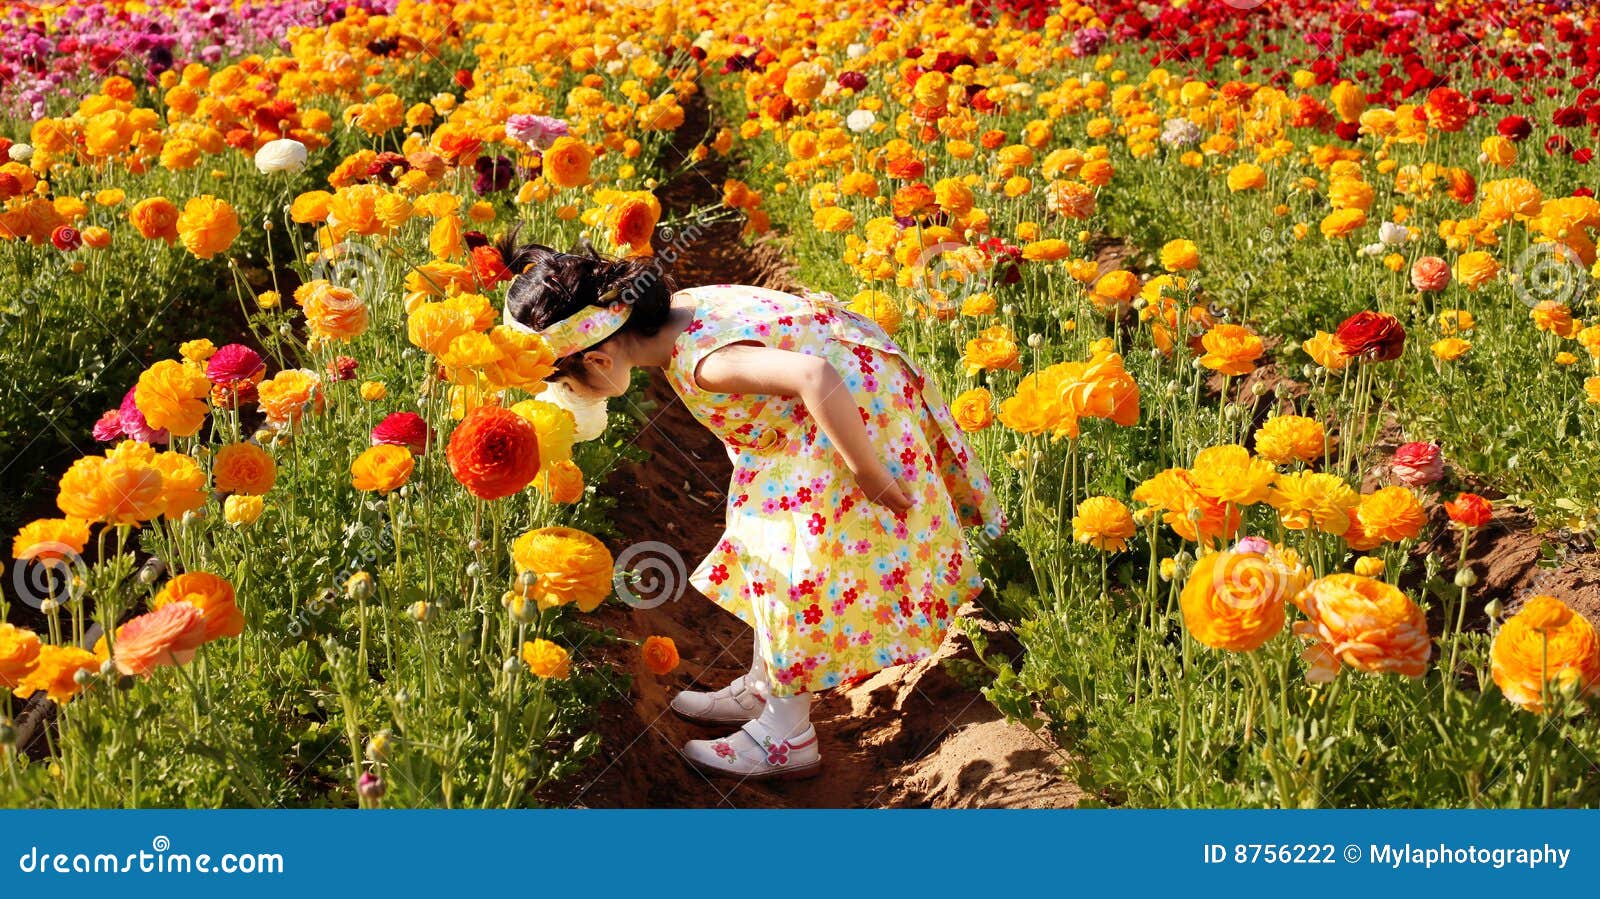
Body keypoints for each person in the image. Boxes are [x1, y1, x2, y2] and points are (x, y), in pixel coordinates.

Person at [499, 237, 1004, 780]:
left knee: (791, 572)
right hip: (811, 422)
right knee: (760, 545)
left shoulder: (706, 363)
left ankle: (786, 735)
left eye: (570, 382)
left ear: (599, 358)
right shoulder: (682, 309)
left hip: (846, 425)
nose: (577, 394)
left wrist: (866, 470)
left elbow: (814, 376)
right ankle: (767, 685)